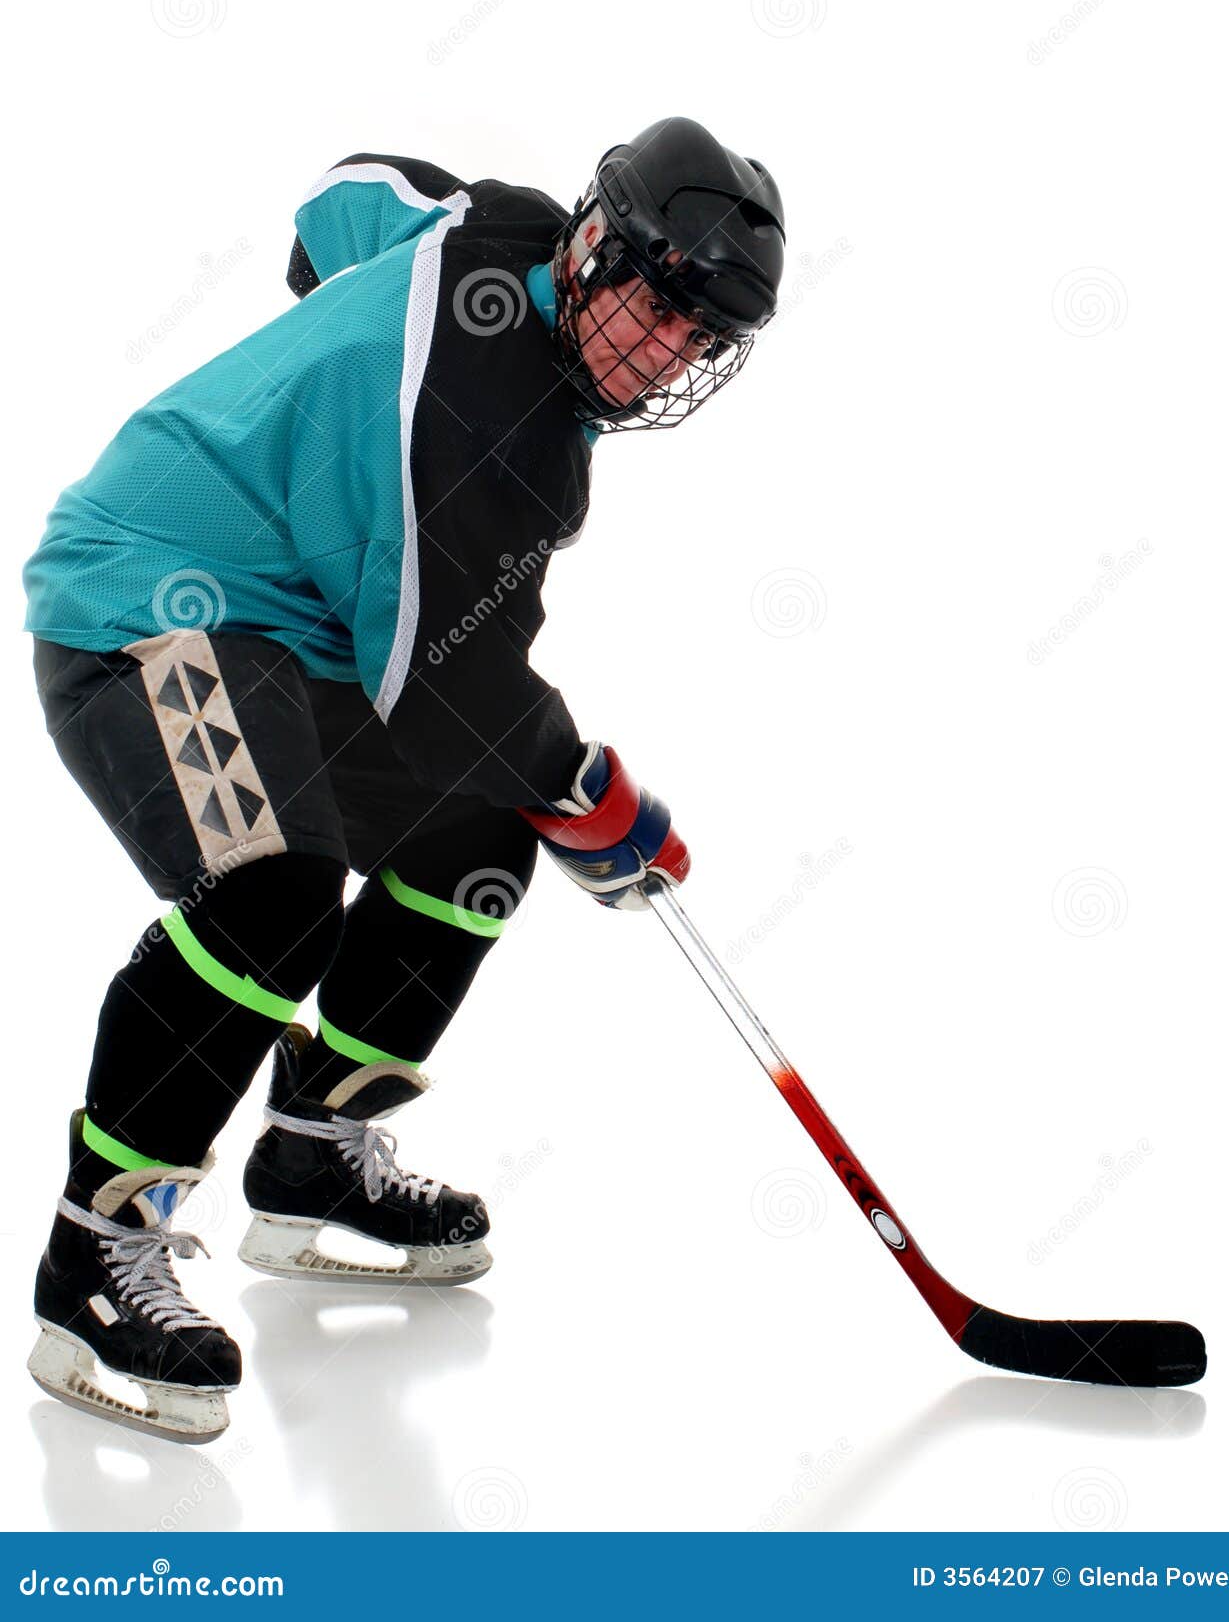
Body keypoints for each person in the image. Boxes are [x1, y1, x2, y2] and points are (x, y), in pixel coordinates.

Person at [21, 117, 786, 1442]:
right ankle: (96, 1254)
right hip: (137, 612)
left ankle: (317, 1154)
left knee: (479, 836)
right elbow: (462, 687)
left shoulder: (490, 226)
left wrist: (331, 394)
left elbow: (342, 198)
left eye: (697, 337)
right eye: (659, 301)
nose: (666, 349)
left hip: (298, 648)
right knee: (272, 886)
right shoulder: (487, 434)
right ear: (597, 243)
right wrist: (598, 797)